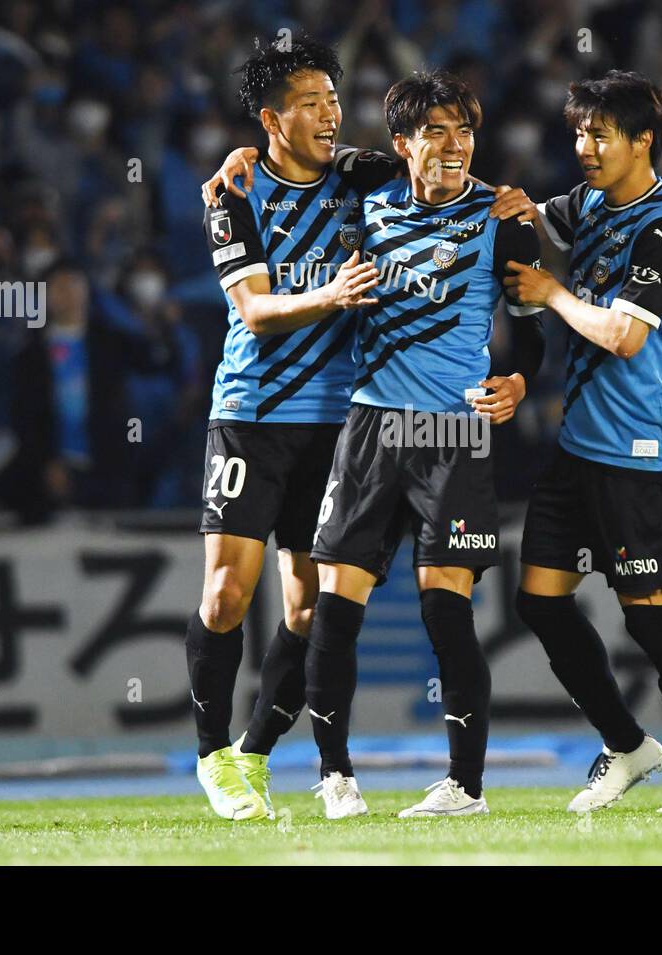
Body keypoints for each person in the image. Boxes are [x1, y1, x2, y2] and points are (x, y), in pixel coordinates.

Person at [491, 70, 662, 812]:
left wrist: (553, 294)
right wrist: (505, 205)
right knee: (539, 601)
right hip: (578, 450)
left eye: (600, 134)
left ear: (643, 143)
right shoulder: (591, 203)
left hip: (639, 453)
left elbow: (626, 335)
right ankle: (627, 743)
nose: (584, 147)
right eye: (578, 132)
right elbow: (539, 216)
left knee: (650, 616)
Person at [297, 70, 545, 818]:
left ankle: (464, 786)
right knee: (334, 609)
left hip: (453, 434)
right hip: (372, 427)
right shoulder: (365, 210)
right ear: (402, 143)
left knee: (447, 612)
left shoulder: (504, 218)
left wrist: (520, 382)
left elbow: (530, 329)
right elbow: (304, 159)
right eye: (435, 130)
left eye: (463, 130)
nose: (453, 145)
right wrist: (236, 164)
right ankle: (336, 775)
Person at [184, 37, 391, 821]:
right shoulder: (233, 195)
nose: (330, 114)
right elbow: (256, 312)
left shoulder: (358, 178)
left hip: (336, 423)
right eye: (310, 103)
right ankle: (209, 757)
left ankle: (255, 753)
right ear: (272, 119)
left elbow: (432, 179)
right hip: (252, 415)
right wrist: (335, 294)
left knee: (309, 609)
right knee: (228, 592)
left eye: (334, 100)